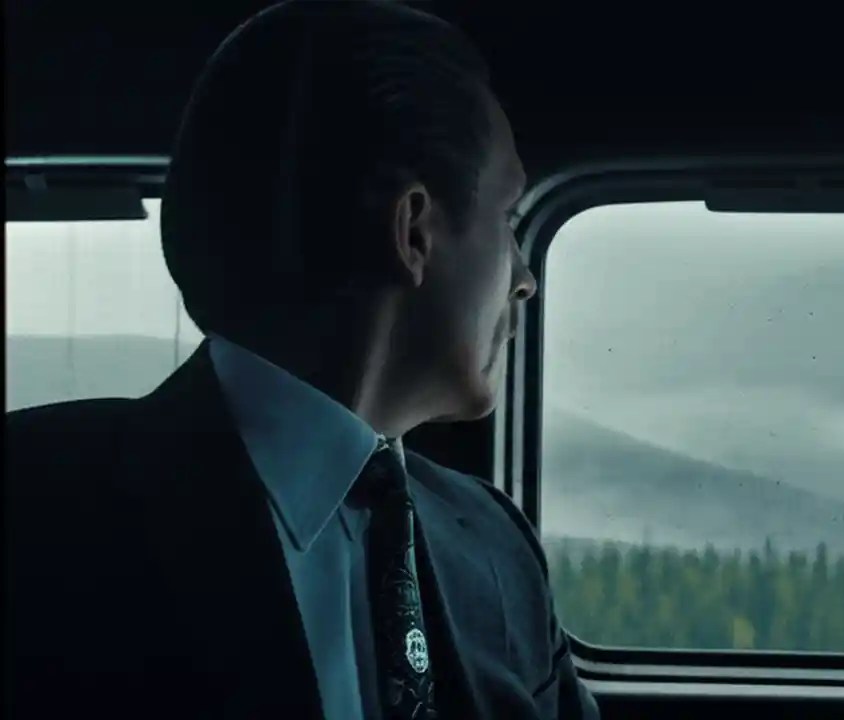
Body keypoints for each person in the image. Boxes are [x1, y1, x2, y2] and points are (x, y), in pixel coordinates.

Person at [3, 2, 599, 719]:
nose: (524, 278)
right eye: (506, 219)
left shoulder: (497, 547)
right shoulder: (35, 515)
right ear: (412, 231)